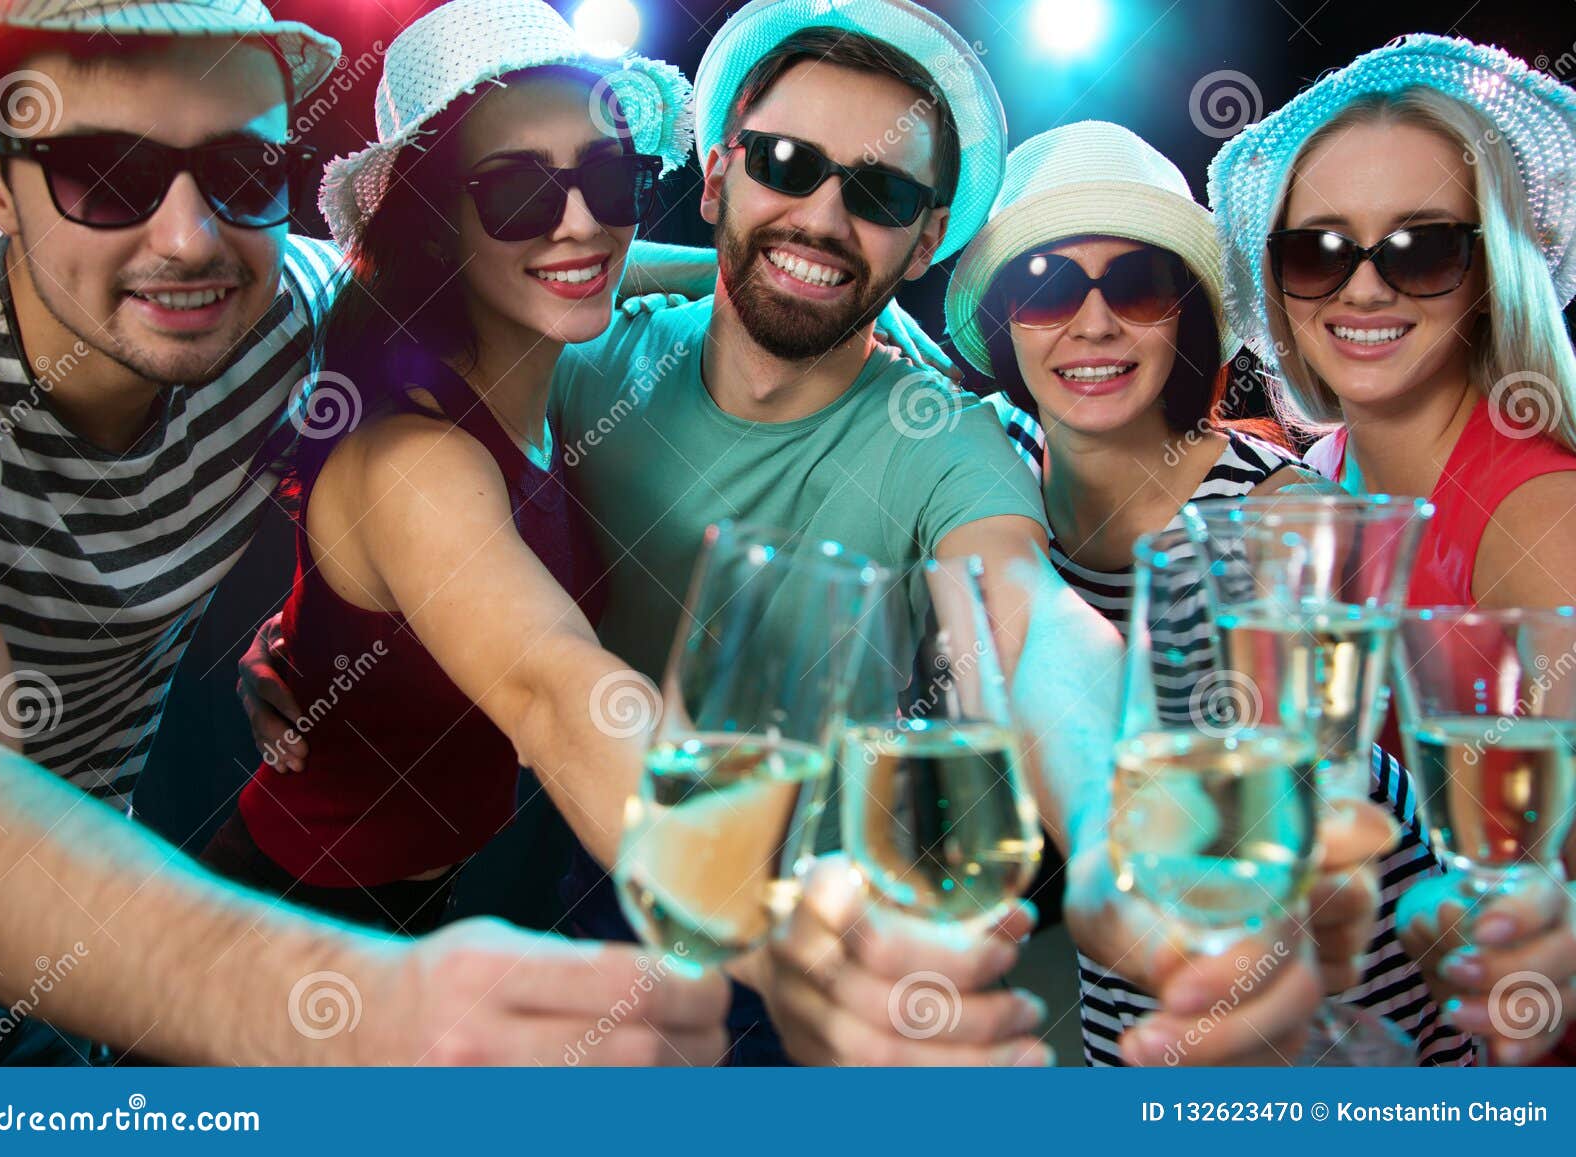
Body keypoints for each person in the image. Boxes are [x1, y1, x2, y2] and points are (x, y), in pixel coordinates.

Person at [245, 0, 1343, 1067]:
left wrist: (1119, 822)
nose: (820, 214)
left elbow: (1030, 618)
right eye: (783, 162)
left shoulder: (943, 437)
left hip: (795, 942)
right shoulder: (576, 365)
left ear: (922, 240)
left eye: (875, 191)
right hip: (557, 910)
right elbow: (543, 676)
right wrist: (315, 625)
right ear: (718, 173)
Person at [0, 0, 731, 1066]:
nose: (189, 235)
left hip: (121, 916)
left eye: (243, 170)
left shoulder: (263, 303)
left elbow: (549, 255)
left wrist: (764, 276)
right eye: (108, 174)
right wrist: (368, 1003)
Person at [944, 120, 1469, 1065]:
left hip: (1350, 986)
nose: (1092, 324)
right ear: (1002, 321)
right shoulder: (991, 481)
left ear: (1184, 312)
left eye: (1137, 285)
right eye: (1045, 286)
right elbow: (821, 333)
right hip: (1140, 991)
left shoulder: (1282, 513)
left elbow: (1287, 814)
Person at [195, 0, 699, 936]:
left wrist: (756, 273)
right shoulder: (417, 459)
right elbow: (554, 690)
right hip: (299, 921)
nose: (583, 223)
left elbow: (595, 256)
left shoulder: (541, 378)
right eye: (517, 193)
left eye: (611, 177)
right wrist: (762, 890)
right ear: (437, 225)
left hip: (428, 904)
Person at [1209, 32, 1576, 1062]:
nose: (1362, 289)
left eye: (1420, 248)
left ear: (1489, 270)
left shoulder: (1542, 517)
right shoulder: (1317, 482)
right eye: (1317, 250)